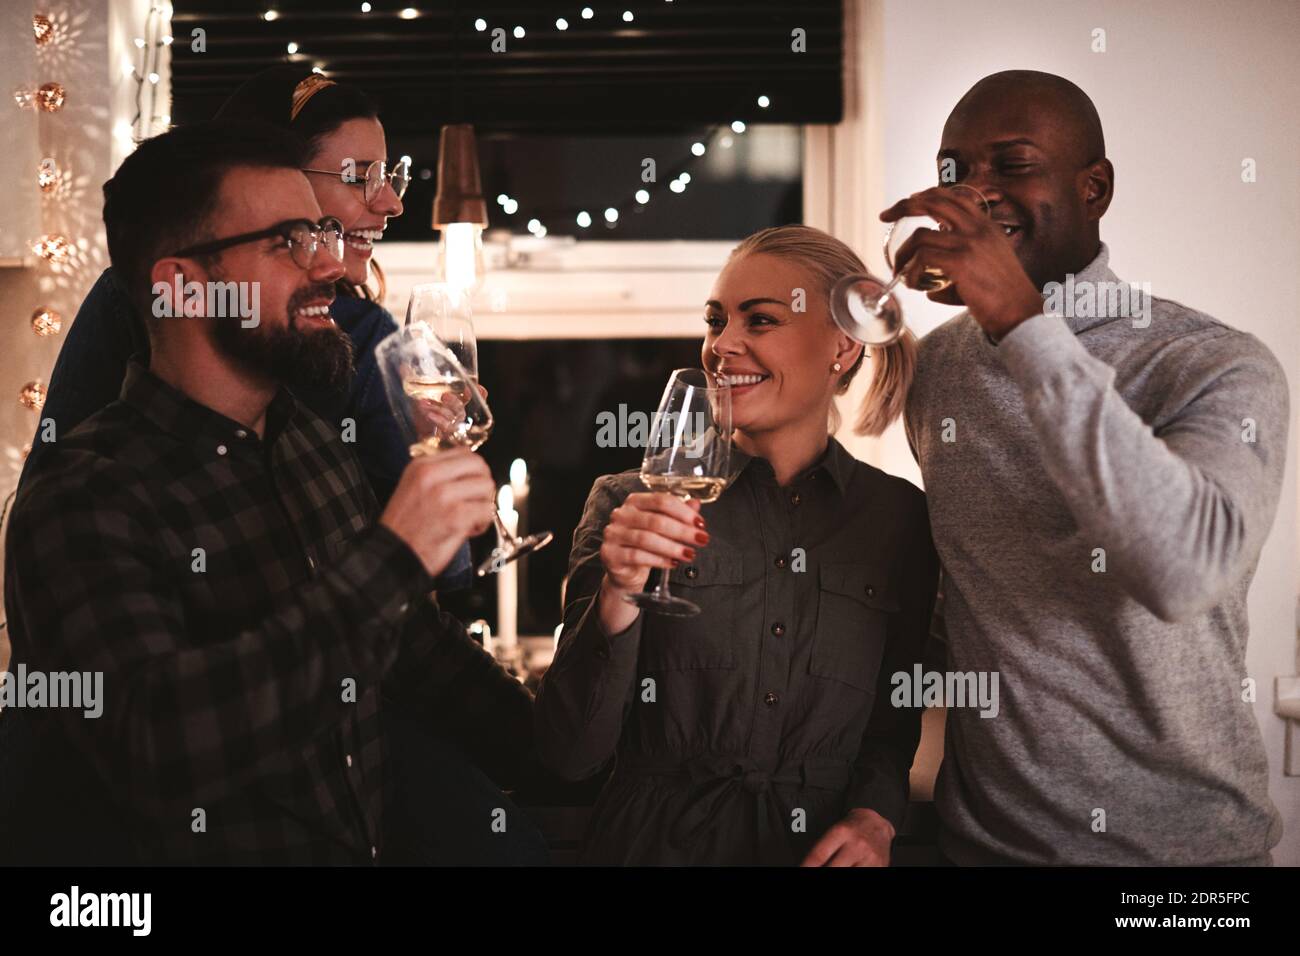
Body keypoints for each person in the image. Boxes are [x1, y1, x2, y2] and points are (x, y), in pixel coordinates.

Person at [2, 121, 541, 864]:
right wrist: (395, 553)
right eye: (289, 242)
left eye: (323, 232)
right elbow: (160, 744)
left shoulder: (311, 444)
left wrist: (586, 735)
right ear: (184, 287)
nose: (330, 266)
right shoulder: (84, 497)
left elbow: (417, 655)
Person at [899, 70, 1287, 865]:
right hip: (980, 848)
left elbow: (1182, 573)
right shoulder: (939, 368)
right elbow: (983, 589)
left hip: (1183, 864)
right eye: (954, 172)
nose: (975, 195)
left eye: (1011, 165)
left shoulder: (1216, 363)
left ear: (1094, 189)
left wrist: (1021, 321)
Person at [534, 225, 939, 865]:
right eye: (716, 321)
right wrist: (618, 594)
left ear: (842, 344)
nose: (722, 346)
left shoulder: (898, 519)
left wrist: (875, 816)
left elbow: (891, 722)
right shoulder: (627, 504)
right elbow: (570, 754)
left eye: (760, 321)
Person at [19, 66, 472, 586]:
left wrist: (438, 450)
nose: (392, 202)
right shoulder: (89, 493)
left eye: (388, 176)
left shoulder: (326, 440)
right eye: (357, 176)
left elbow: (437, 573)